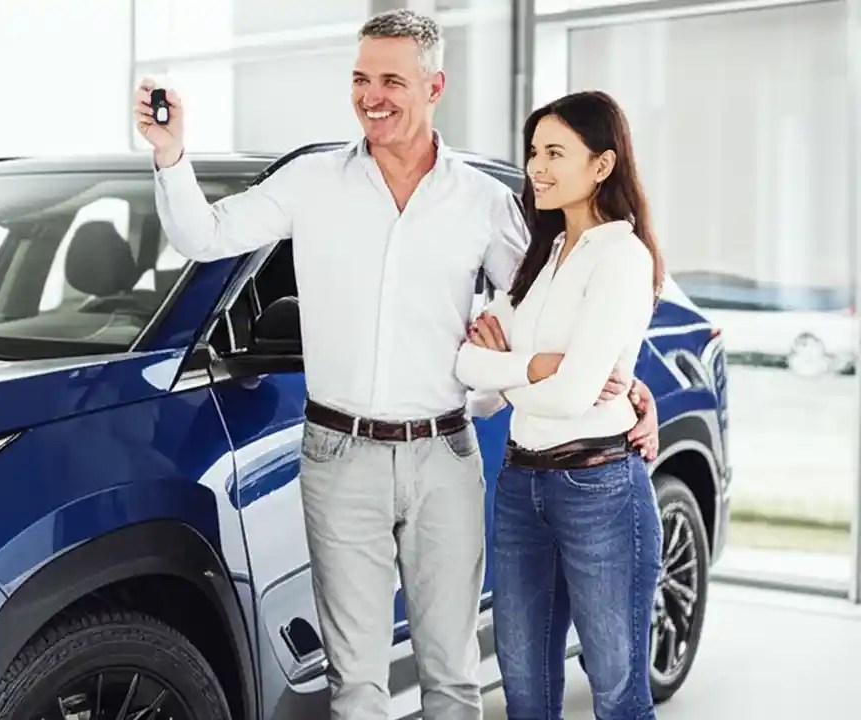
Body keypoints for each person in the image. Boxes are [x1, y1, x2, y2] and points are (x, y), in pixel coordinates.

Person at [133, 10, 657, 719]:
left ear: (434, 86)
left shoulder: (483, 202)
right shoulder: (312, 182)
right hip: (338, 455)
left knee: (452, 678)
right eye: (360, 79)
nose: (370, 96)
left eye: (390, 81)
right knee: (355, 683)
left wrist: (629, 386)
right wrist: (171, 155)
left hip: (445, 457)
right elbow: (205, 235)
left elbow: (552, 310)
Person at [454, 90, 664, 720]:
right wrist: (537, 368)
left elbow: (572, 397)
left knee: (617, 694)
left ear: (602, 164)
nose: (536, 168)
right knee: (524, 694)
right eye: (533, 152)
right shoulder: (542, 258)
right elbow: (469, 378)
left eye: (554, 153)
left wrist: (510, 370)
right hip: (521, 486)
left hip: (600, 488)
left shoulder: (623, 258)